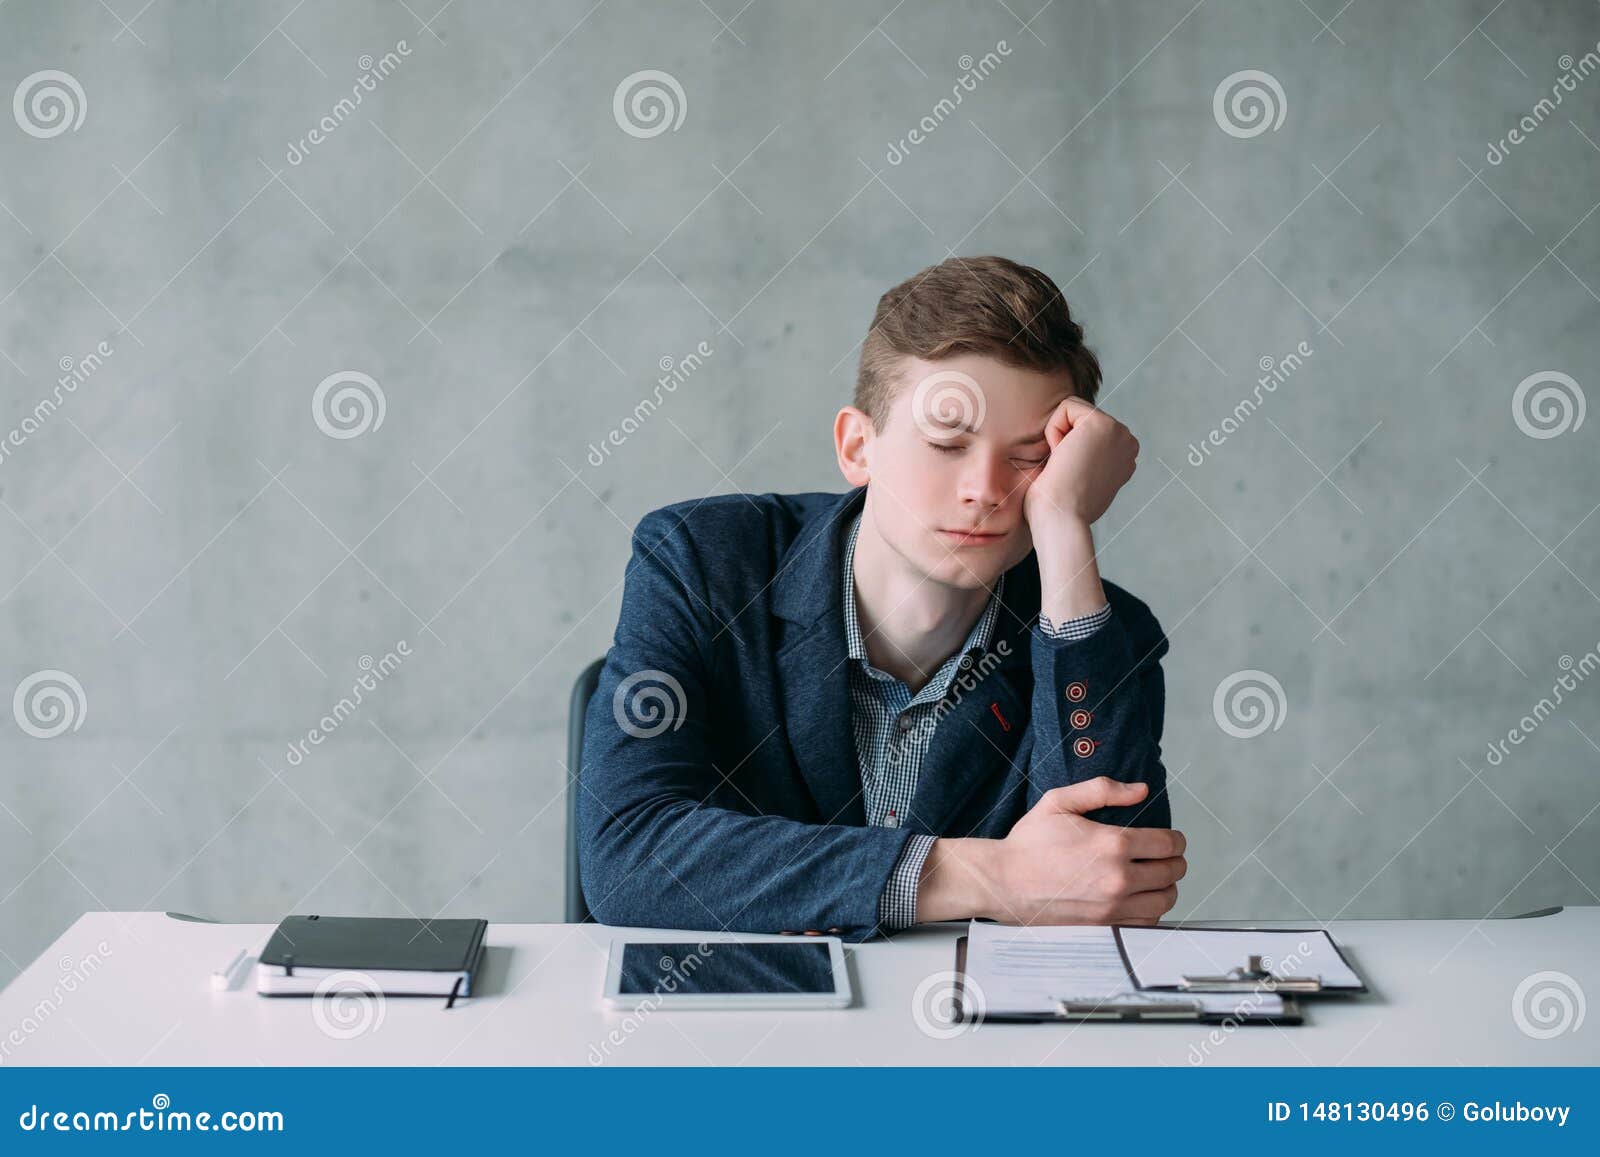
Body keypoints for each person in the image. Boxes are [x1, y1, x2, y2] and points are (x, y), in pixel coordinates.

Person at [578, 255, 1187, 941]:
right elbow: (629, 852)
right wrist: (990, 875)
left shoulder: (1099, 633)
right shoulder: (705, 559)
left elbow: (1108, 884)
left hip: (973, 1040)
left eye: (1028, 458)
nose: (985, 490)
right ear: (857, 446)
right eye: (947, 444)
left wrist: (1065, 527)